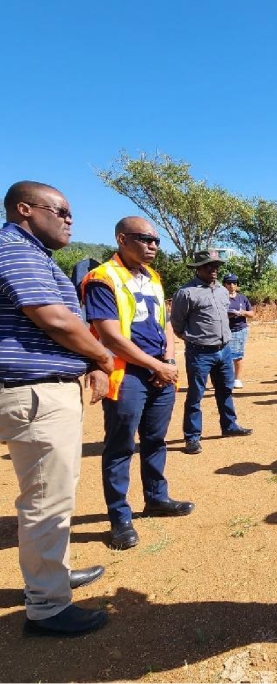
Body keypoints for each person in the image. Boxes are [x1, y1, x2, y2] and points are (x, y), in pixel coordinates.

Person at [0, 181, 114, 637]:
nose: (70, 219)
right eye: (61, 210)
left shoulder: (33, 254)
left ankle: (54, 575)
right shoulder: (17, 250)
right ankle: (47, 606)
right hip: (35, 393)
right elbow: (55, 318)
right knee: (47, 500)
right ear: (24, 209)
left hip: (42, 390)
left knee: (53, 493)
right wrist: (102, 357)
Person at [82, 217, 195, 550]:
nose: (154, 246)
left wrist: (169, 363)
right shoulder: (102, 278)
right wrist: (156, 365)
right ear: (122, 239)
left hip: (160, 372)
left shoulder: (153, 278)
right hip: (126, 374)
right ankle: (120, 517)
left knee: (156, 439)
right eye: (146, 239)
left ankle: (156, 498)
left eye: (157, 241)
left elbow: (167, 326)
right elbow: (110, 337)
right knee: (120, 447)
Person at [170, 250, 253, 454]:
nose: (214, 270)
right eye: (209, 266)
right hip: (200, 353)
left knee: (225, 389)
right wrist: (195, 340)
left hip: (224, 350)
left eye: (216, 266)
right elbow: (177, 325)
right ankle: (192, 437)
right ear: (198, 268)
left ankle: (229, 426)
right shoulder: (186, 293)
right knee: (196, 394)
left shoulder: (222, 291)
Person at [223, 273, 255, 389]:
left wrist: (243, 312)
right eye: (229, 283)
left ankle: (236, 379)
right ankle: (226, 379)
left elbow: (251, 314)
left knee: (237, 355)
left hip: (239, 329)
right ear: (224, 285)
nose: (232, 285)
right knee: (223, 356)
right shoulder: (221, 298)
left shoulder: (242, 298)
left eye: (234, 283)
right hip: (223, 330)